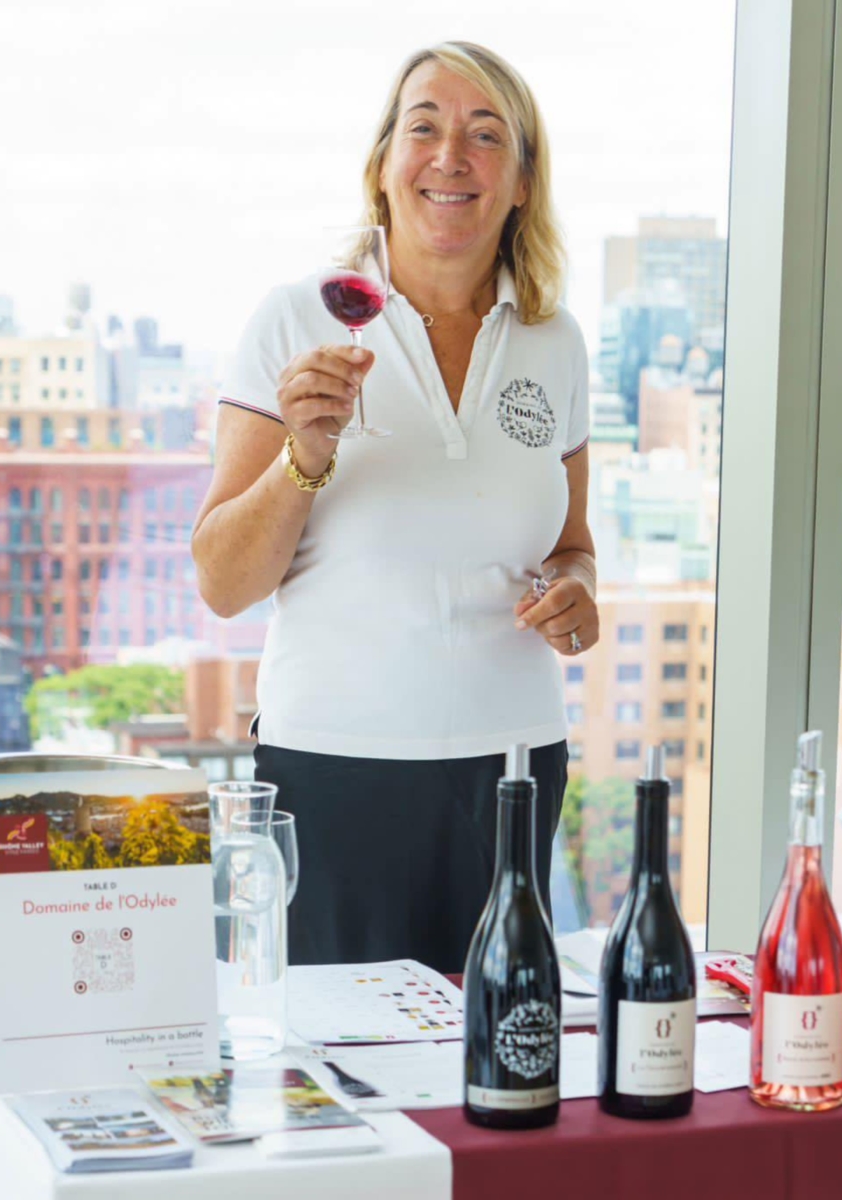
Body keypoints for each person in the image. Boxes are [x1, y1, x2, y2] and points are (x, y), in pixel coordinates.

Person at [192, 41, 597, 973]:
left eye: (485, 134)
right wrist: (305, 453)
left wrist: (576, 594)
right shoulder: (297, 322)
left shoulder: (555, 339)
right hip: (335, 773)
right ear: (382, 165)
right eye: (425, 127)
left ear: (523, 180)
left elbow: (572, 545)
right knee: (347, 1082)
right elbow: (222, 581)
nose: (451, 156)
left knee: (500, 1065)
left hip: (515, 773)